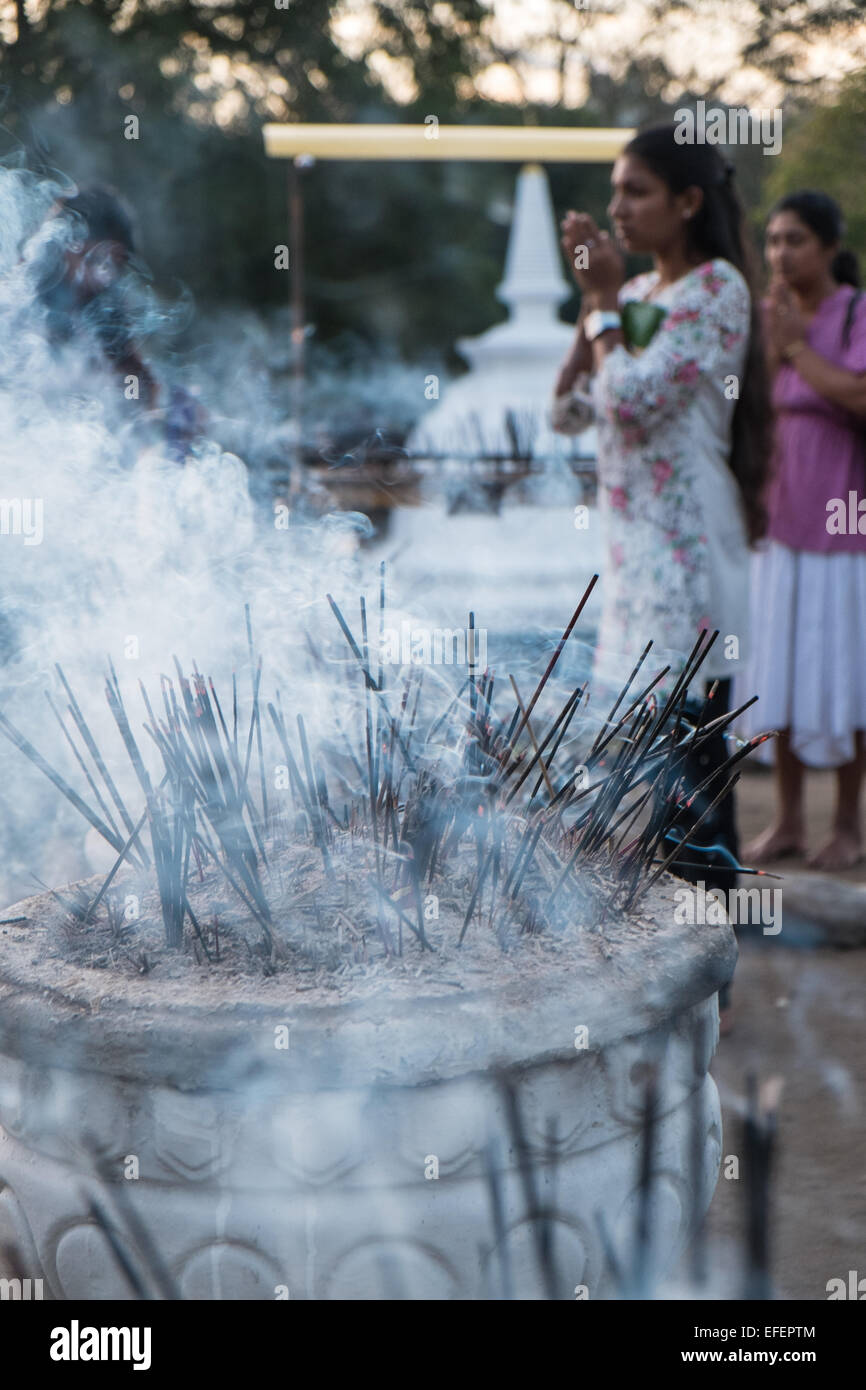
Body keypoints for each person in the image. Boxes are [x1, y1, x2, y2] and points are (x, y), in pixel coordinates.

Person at [550, 123, 772, 1032]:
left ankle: (711, 968)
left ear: (687, 202)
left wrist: (605, 307)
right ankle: (675, 961)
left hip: (688, 564)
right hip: (633, 565)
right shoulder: (632, 292)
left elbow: (637, 399)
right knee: (643, 764)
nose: (616, 210)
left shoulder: (719, 291)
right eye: (612, 195)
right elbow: (570, 411)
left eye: (635, 191)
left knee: (693, 769)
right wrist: (591, 313)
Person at [739, 191, 866, 870]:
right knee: (779, 671)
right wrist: (773, 344)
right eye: (775, 240)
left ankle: (847, 824)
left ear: (828, 247)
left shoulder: (856, 313)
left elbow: (861, 397)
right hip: (776, 525)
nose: (782, 253)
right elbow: (744, 406)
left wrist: (797, 350)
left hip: (847, 526)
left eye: (796, 240)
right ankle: (787, 820)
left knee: (847, 675)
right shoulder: (767, 318)